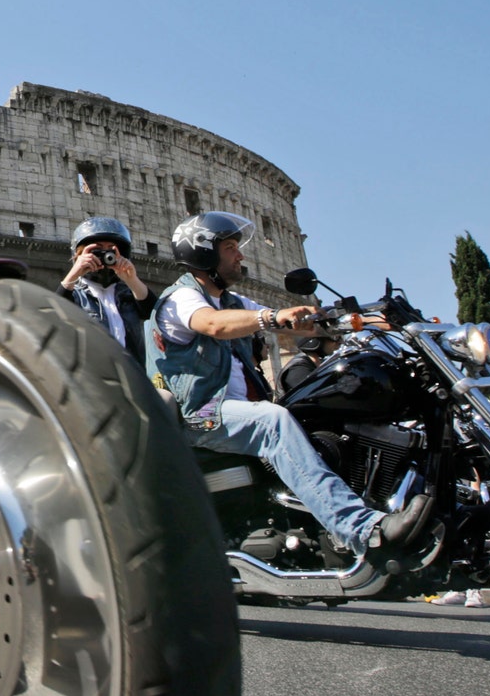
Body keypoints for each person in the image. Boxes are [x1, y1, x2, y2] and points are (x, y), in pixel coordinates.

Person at [144, 212, 431, 556]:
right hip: (201, 414)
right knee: (273, 421)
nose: (241, 256)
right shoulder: (182, 299)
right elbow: (214, 325)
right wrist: (269, 318)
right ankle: (361, 529)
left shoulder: (232, 302)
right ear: (204, 254)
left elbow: (301, 326)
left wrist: (368, 320)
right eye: (231, 248)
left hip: (231, 412)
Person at [59, 217, 157, 365]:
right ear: (80, 253)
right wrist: (76, 271)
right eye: (97, 249)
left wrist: (131, 279)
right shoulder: (76, 294)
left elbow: (154, 312)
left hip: (133, 375)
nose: (105, 255)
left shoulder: (127, 293)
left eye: (111, 250)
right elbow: (56, 311)